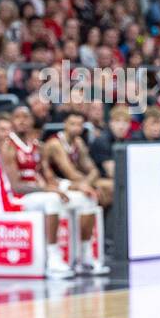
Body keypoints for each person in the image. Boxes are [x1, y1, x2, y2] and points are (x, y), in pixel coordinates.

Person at [0, 105, 74, 278]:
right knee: (52, 200)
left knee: (84, 199)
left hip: (37, 193)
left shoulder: (36, 145)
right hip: (17, 198)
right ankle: (53, 259)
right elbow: (17, 186)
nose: (22, 121)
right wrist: (48, 190)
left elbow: (48, 176)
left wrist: (67, 186)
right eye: (18, 117)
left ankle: (87, 258)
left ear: (32, 121)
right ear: (11, 121)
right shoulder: (8, 146)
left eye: (26, 117)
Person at [41, 111, 110, 275]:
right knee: (91, 193)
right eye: (73, 124)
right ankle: (53, 257)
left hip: (70, 186)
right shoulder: (55, 143)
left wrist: (86, 184)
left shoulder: (78, 142)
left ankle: (85, 255)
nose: (76, 128)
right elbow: (69, 172)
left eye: (79, 124)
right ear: (65, 124)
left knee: (89, 200)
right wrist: (84, 185)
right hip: (54, 184)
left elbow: (93, 169)